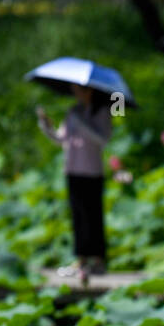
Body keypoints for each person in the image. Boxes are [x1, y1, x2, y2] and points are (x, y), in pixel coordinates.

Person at [37, 83, 112, 277]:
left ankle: (98, 261)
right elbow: (61, 139)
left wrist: (83, 125)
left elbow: (104, 139)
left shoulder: (102, 111)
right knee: (78, 216)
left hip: (92, 171)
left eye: (78, 89)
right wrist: (46, 126)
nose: (76, 93)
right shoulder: (74, 111)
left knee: (93, 216)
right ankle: (81, 260)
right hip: (73, 170)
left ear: (90, 91)